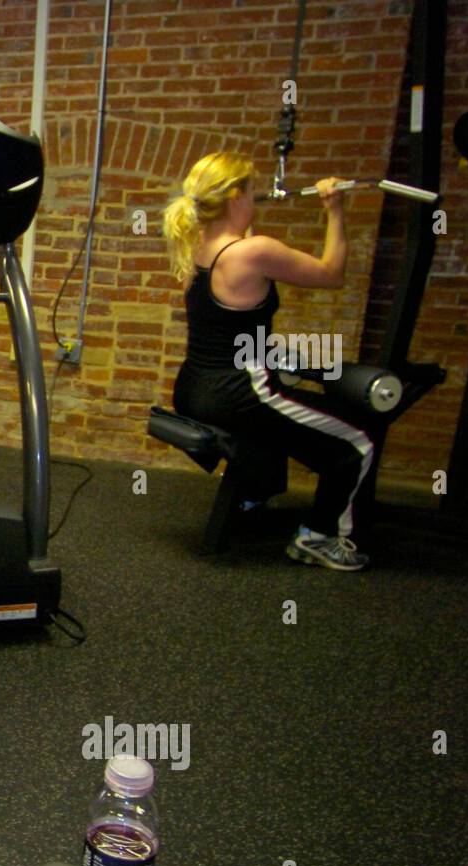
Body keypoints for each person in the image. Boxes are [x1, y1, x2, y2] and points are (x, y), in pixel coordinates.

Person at [162, 151, 375, 571]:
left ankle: (252, 493)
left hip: (194, 389)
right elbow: (332, 274)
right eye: (252, 191)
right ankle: (320, 537)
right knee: (360, 441)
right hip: (242, 391)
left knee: (287, 411)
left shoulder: (202, 246)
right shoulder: (252, 252)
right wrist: (335, 210)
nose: (258, 198)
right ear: (236, 195)